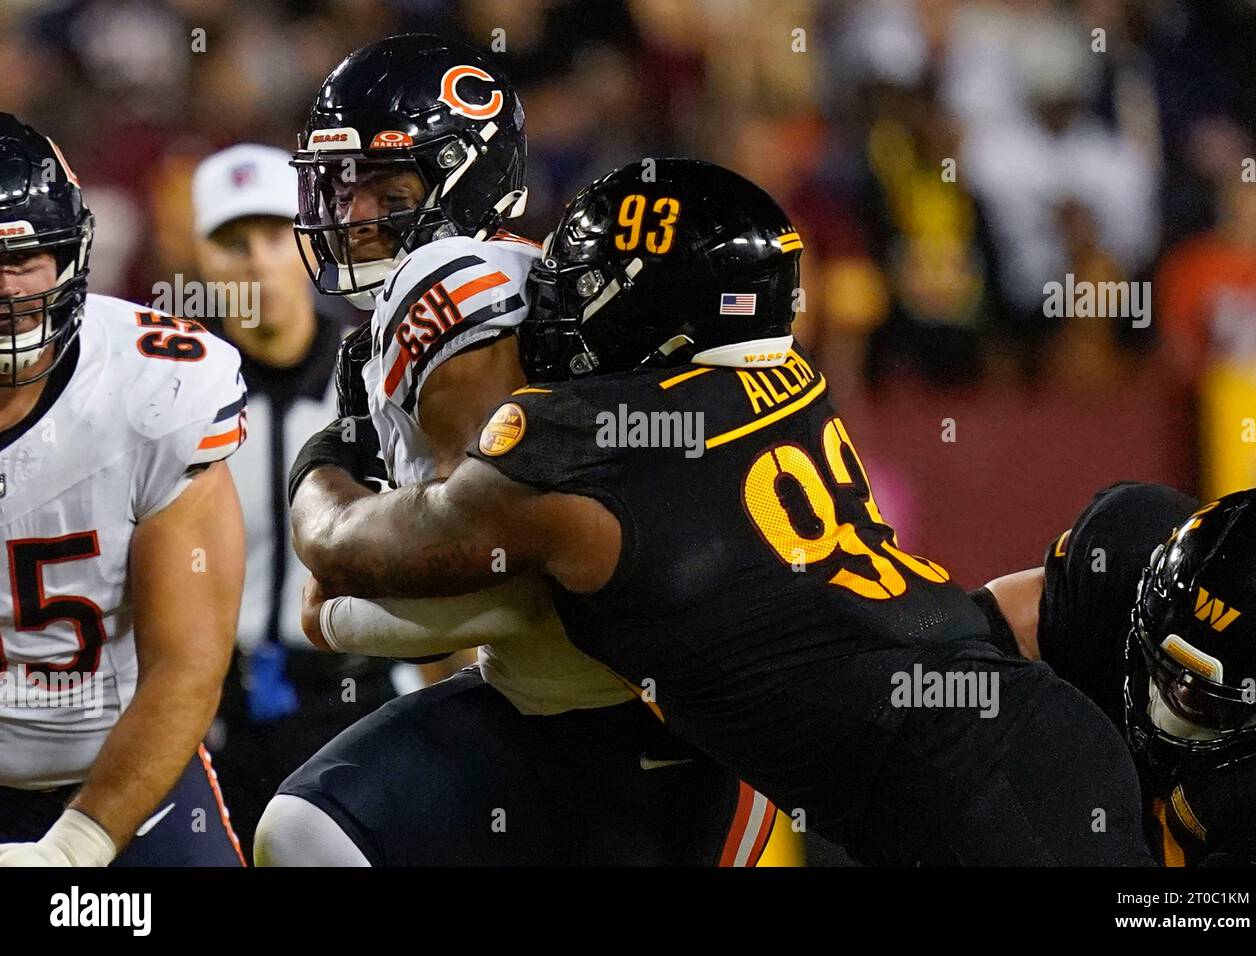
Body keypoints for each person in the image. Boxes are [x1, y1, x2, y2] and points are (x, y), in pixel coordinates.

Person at [288, 156, 1154, 865]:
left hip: (966, 805)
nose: (564, 310)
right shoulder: (787, 381)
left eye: (587, 282)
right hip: (1018, 741)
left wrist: (328, 455)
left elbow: (353, 546)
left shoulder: (586, 445)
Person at [257, 34, 771, 867]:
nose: (350, 217)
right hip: (528, 694)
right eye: (341, 188)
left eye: (385, 187)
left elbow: (502, 578)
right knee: (309, 829)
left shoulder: (460, 283)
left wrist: (337, 606)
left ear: (470, 179)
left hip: (664, 716)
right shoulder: (476, 292)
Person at [0, 114, 246, 866]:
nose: (5, 291)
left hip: (130, 776)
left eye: (25, 259)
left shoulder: (153, 392)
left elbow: (188, 663)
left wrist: (70, 852)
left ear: (70, 254)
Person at [189, 143, 399, 852]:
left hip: (357, 695)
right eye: (233, 242)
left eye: (277, 235)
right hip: (217, 709)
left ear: (310, 243)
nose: (257, 262)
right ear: (199, 258)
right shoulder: (176, 393)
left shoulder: (380, 377)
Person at [974, 481, 1256, 865]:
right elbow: (961, 646)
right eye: (1159, 667)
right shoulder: (1125, 550)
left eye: (1209, 700)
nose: (1167, 708)